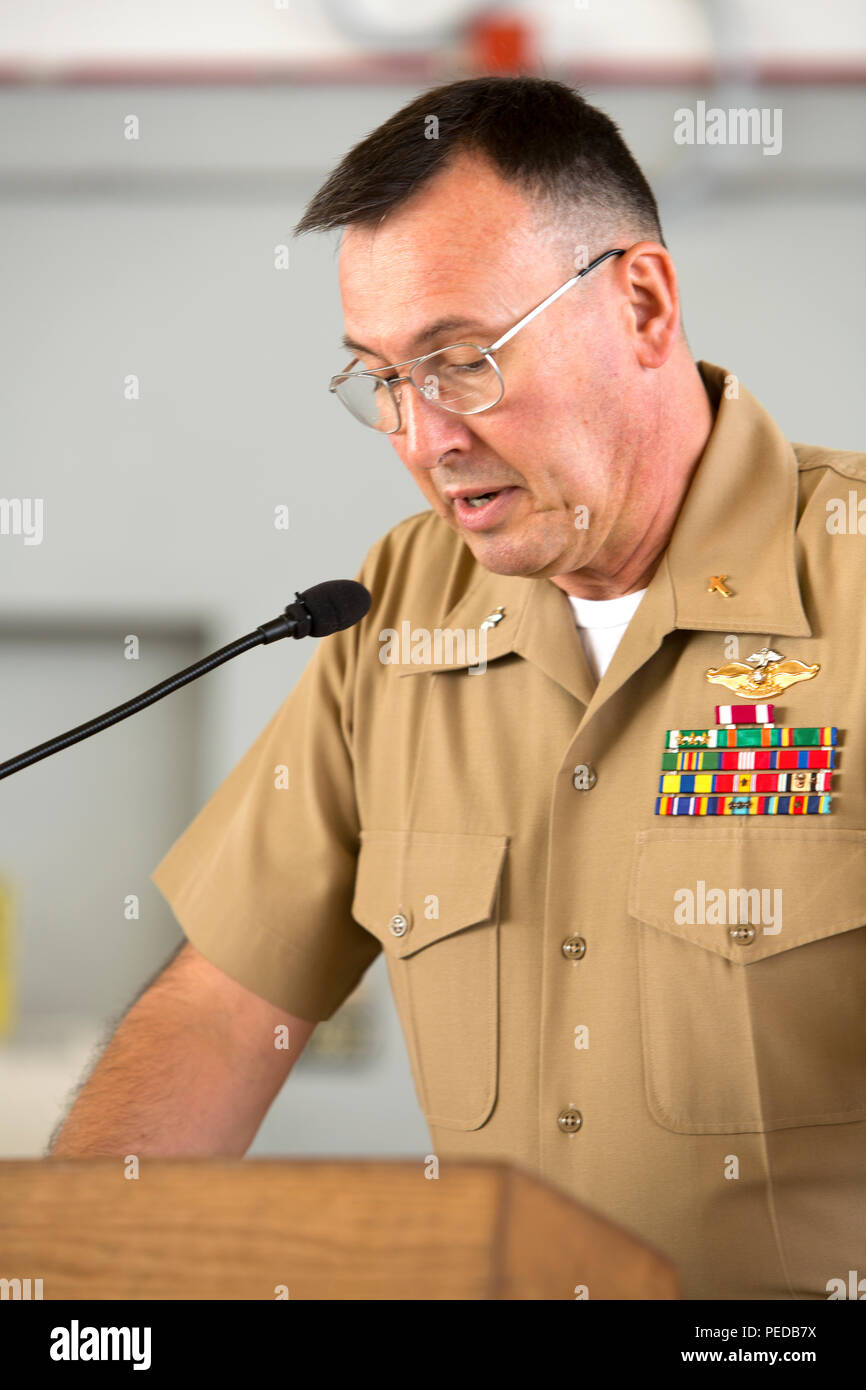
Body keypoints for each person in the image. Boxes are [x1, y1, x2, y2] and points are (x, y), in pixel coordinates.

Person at [49, 76, 866, 1302]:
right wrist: (62, 1286)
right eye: (378, 377)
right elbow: (224, 1008)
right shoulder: (398, 608)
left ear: (640, 304)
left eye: (461, 359)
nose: (422, 435)